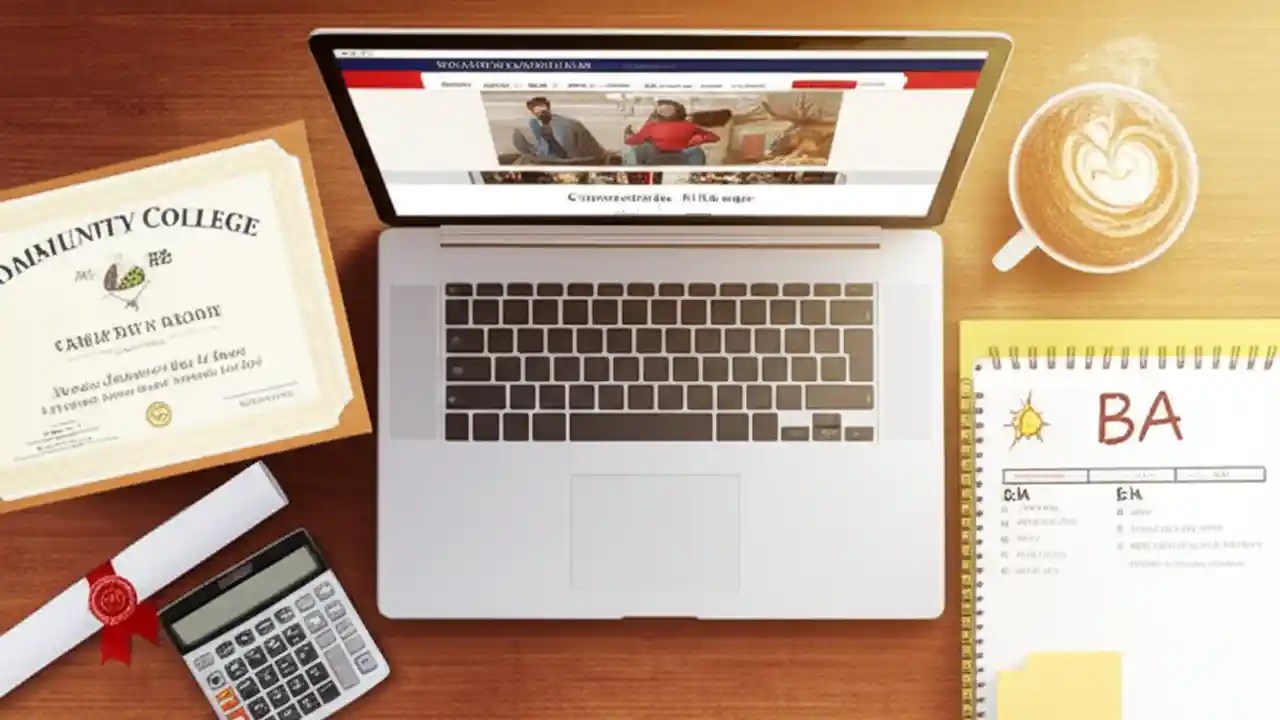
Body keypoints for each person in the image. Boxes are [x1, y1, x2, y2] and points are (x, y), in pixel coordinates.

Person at [622, 100, 719, 166]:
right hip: (659, 156)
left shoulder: (687, 126)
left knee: (697, 152)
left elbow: (712, 137)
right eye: (660, 110)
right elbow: (712, 137)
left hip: (677, 156)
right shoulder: (653, 125)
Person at [511, 97, 606, 163]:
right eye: (537, 113)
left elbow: (568, 152)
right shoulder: (534, 125)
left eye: (543, 112)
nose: (540, 115)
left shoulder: (566, 126)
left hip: (579, 159)